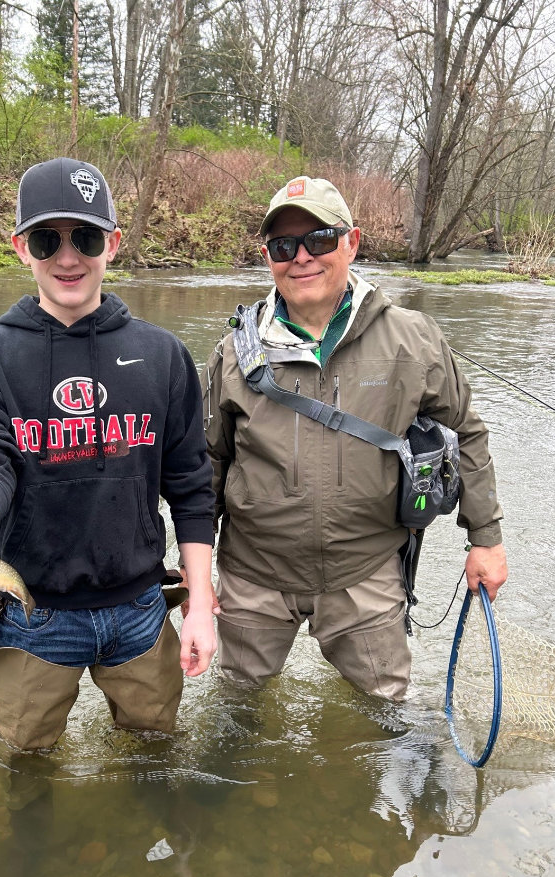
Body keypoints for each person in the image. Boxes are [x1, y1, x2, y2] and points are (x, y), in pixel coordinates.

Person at [0, 156, 216, 749]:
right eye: (48, 240)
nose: (68, 258)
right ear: (21, 248)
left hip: (141, 609)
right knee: (25, 768)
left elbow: (193, 489)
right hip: (32, 613)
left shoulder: (164, 355)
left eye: (85, 237)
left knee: (155, 756)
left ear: (114, 244)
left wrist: (200, 605)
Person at [197, 174, 508, 699]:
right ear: (269, 255)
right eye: (284, 245)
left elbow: (466, 433)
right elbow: (206, 464)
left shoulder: (414, 338)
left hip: (366, 572)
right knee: (235, 710)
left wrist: (487, 539)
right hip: (253, 574)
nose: (302, 257)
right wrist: (198, 574)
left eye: (320, 240)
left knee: (383, 716)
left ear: (353, 242)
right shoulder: (233, 352)